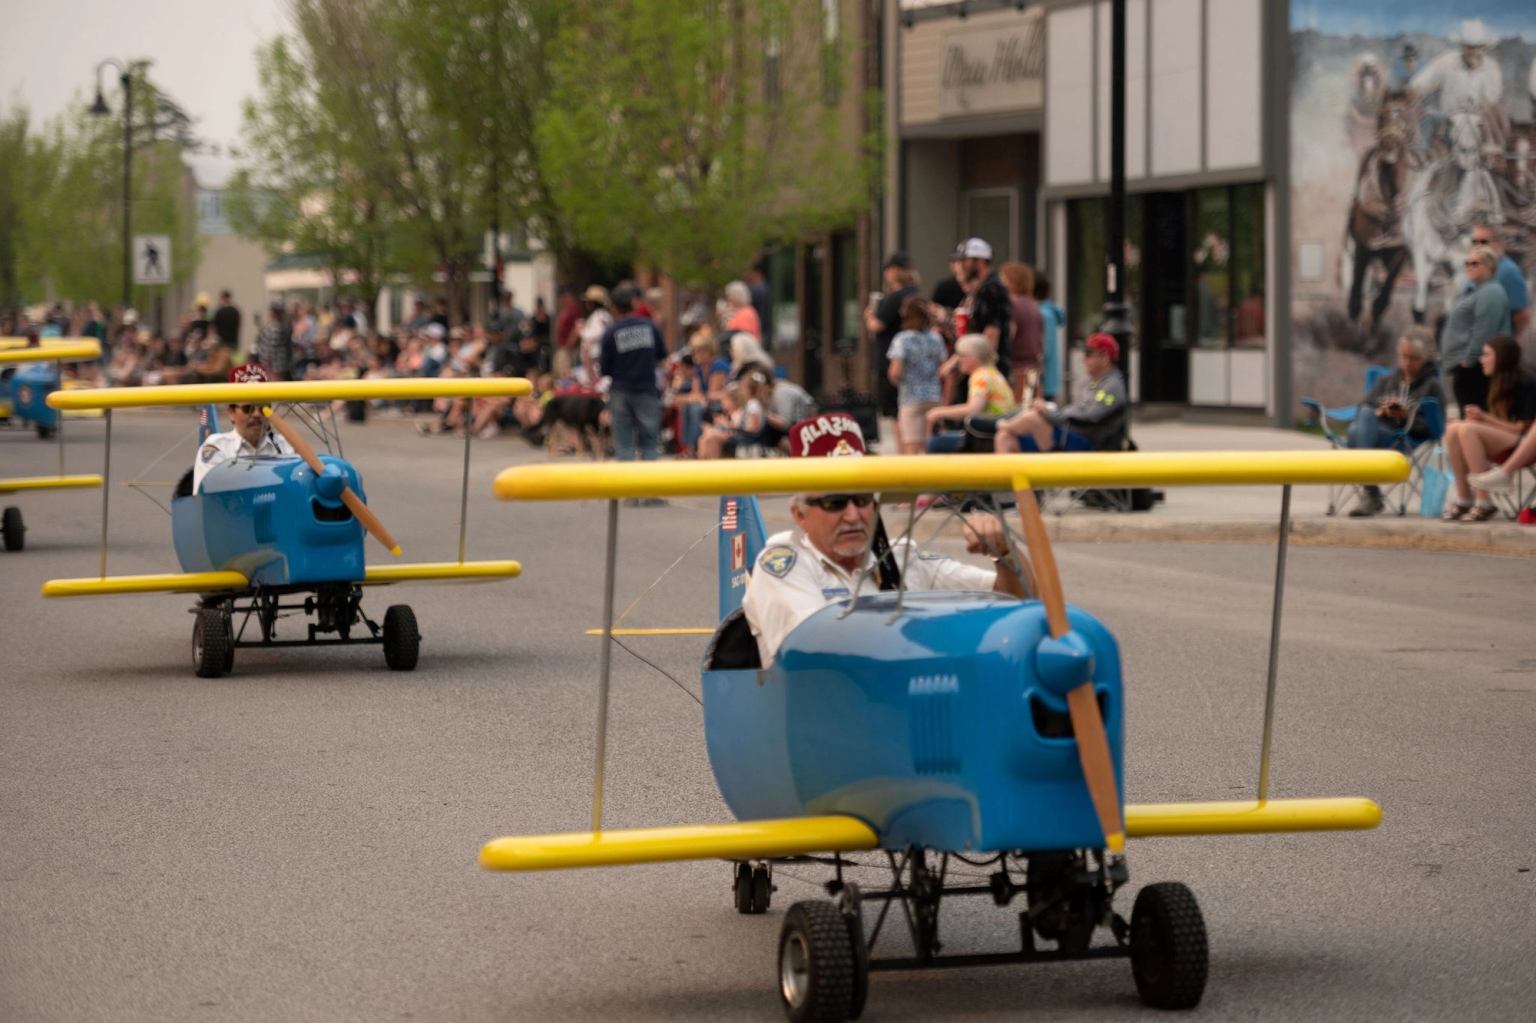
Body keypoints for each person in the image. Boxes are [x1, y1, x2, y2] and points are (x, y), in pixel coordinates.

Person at [741, 413, 1032, 665]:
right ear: (800, 514)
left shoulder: (903, 558)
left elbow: (1018, 603)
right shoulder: (782, 567)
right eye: (835, 502)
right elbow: (815, 650)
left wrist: (1004, 551)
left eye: (862, 498)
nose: (853, 515)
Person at [1344, 327, 1446, 517]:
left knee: (1354, 434)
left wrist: (1407, 417)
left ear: (1424, 360)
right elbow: (1365, 406)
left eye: (1413, 359)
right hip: (1379, 431)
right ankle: (1372, 491)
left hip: (1406, 437)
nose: (1407, 363)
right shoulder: (1388, 381)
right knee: (1365, 413)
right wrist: (1383, 411)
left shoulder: (1431, 385)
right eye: (1404, 357)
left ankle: (1371, 494)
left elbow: (1436, 426)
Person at [1441, 336, 1536, 521]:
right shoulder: (1494, 382)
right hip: (1508, 440)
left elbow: (1521, 427)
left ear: (1501, 358)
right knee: (1454, 428)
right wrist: (1479, 419)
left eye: (1486, 355)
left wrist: (1485, 418)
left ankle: (1484, 501)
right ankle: (1464, 498)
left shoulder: (1525, 381)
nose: (1482, 360)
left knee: (1467, 430)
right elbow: (1500, 423)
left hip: (1525, 446)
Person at [994, 332, 1127, 453]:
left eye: (1088, 353)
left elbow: (1089, 416)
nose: (1084, 359)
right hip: (1070, 436)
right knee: (1005, 438)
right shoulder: (1090, 382)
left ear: (1105, 357)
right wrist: (1049, 410)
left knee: (1032, 419)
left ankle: (1000, 425)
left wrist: (1051, 413)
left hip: (1088, 443)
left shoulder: (1112, 387)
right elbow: (1076, 412)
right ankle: (1010, 477)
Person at [192, 365, 294, 494]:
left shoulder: (285, 446)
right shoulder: (217, 448)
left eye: (263, 408)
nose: (257, 414)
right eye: (248, 408)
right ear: (231, 413)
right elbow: (206, 500)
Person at [599, 283, 668, 467]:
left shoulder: (611, 332)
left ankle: (628, 493)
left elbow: (604, 368)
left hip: (620, 390)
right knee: (650, 442)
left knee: (624, 444)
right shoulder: (650, 326)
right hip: (646, 388)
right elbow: (662, 356)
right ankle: (650, 492)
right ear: (634, 303)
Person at [1443, 246, 1512, 416]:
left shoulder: (1491, 292)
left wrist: (1468, 361)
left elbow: (1484, 331)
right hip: (1471, 369)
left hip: (1476, 370)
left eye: (1475, 263)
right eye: (1467, 263)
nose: (1469, 267)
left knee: (1473, 419)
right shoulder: (1480, 290)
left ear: (1490, 267)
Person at [924, 333, 1016, 444]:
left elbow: (973, 409)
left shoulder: (980, 376)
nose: (958, 361)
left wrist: (938, 412)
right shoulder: (993, 372)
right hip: (995, 428)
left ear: (973, 357)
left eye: (961, 356)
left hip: (986, 433)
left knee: (934, 443)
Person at [887, 294, 945, 454]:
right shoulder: (935, 338)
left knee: (911, 446)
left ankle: (911, 480)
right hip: (934, 396)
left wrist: (894, 380)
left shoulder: (902, 339)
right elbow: (943, 368)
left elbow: (896, 371)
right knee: (932, 446)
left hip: (910, 397)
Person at [864, 252, 920, 418]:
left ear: (895, 271)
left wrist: (869, 316)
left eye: (888, 270)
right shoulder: (914, 292)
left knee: (894, 410)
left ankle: (902, 444)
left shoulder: (895, 297)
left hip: (891, 357)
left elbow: (877, 325)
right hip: (912, 356)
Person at [957, 238, 1013, 379]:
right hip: (978, 366)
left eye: (966, 260)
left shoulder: (991, 289)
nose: (962, 265)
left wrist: (984, 369)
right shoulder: (983, 288)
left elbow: (992, 332)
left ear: (980, 261)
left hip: (983, 367)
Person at [1467, 223, 1530, 335]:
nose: (1477, 246)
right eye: (1474, 242)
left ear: (1498, 243)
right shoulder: (1476, 268)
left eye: (1483, 242)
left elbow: (1522, 315)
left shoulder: (1508, 272)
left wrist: (1506, 345)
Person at [1000, 261, 1044, 403]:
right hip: (1033, 367)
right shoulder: (1034, 306)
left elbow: (1010, 336)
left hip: (1016, 368)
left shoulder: (1012, 306)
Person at [1035, 272, 1064, 401]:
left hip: (1043, 381)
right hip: (1046, 380)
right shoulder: (1047, 312)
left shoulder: (1043, 315)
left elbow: (1044, 348)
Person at [256, 301, 293, 381]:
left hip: (275, 366)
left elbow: (270, 349)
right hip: (276, 367)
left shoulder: (275, 327)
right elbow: (270, 349)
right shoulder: (276, 327)